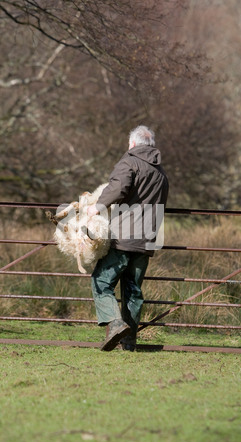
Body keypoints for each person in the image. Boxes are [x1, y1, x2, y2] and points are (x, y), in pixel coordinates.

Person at [87, 125, 169, 351]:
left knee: (101, 282)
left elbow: (119, 187)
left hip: (124, 236)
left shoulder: (129, 161)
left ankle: (115, 324)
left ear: (132, 144)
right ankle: (129, 342)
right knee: (133, 290)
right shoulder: (161, 172)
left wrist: (97, 207)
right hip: (148, 238)